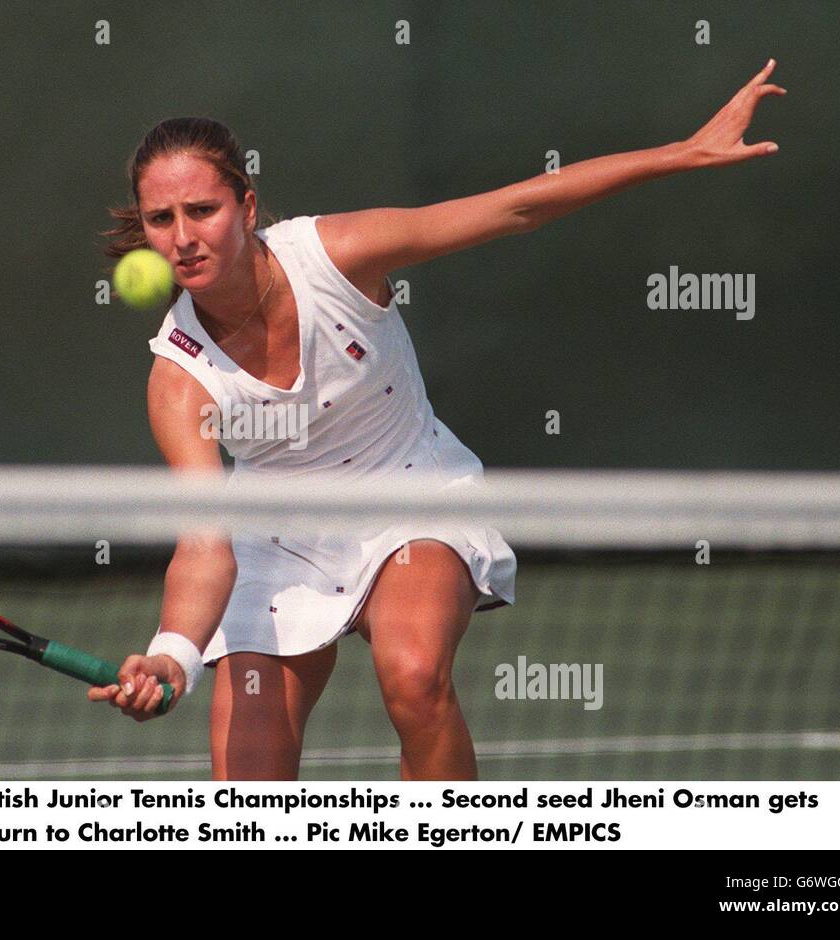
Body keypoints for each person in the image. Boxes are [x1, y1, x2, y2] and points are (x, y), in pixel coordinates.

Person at [90, 61, 785, 780]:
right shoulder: (178, 377)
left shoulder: (337, 256)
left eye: (201, 210)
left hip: (409, 492)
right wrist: (171, 654)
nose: (182, 237)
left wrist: (684, 151)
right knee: (248, 786)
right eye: (161, 219)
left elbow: (515, 208)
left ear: (248, 204)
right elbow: (205, 544)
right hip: (276, 530)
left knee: (415, 677)